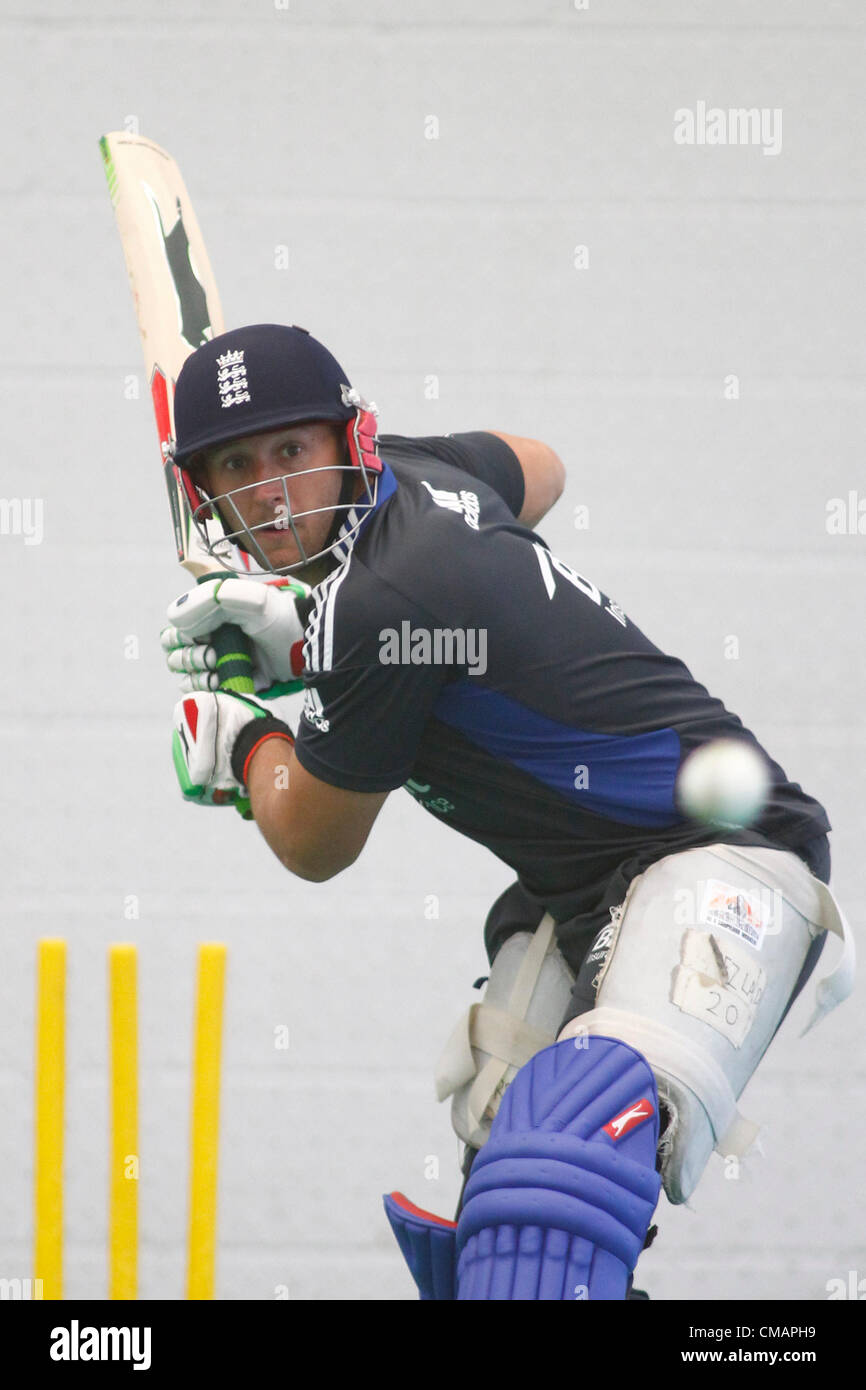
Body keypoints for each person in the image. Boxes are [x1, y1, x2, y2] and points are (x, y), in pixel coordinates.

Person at [162, 323, 853, 1301]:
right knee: (501, 1221)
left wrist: (246, 740)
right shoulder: (417, 472)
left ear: (347, 442)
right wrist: (331, 633)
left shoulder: (379, 603)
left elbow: (313, 842)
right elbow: (539, 468)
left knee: (564, 1154)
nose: (270, 490)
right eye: (237, 463)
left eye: (291, 450)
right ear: (202, 487)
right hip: (585, 890)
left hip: (726, 857)